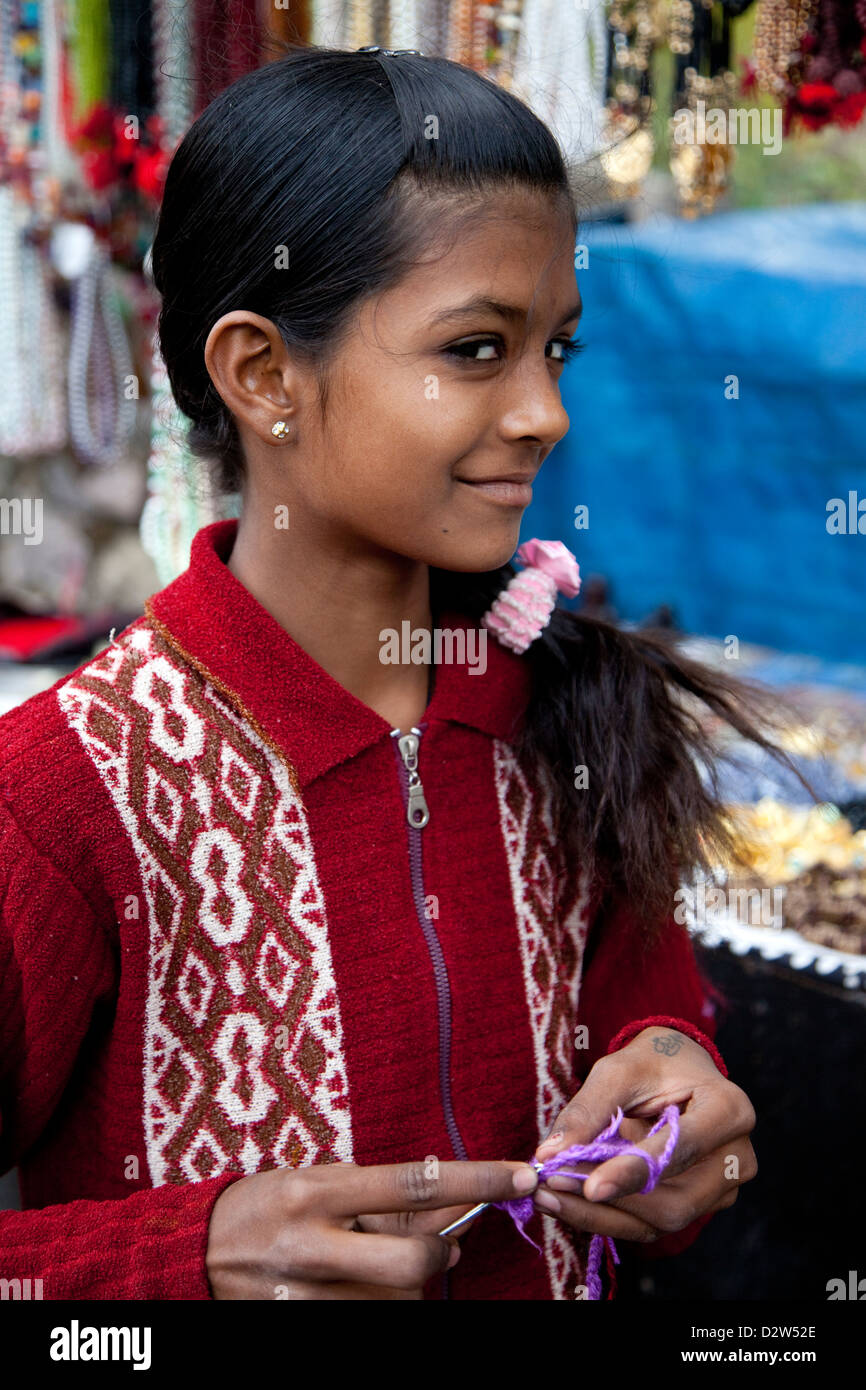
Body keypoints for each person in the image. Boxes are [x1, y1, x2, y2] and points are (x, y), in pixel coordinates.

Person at [0, 45, 810, 1301]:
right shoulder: (63, 797)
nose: (545, 411)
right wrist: (176, 1260)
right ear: (263, 374)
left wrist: (672, 1092)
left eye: (557, 349)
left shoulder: (572, 709)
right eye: (478, 350)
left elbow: (654, 1046)